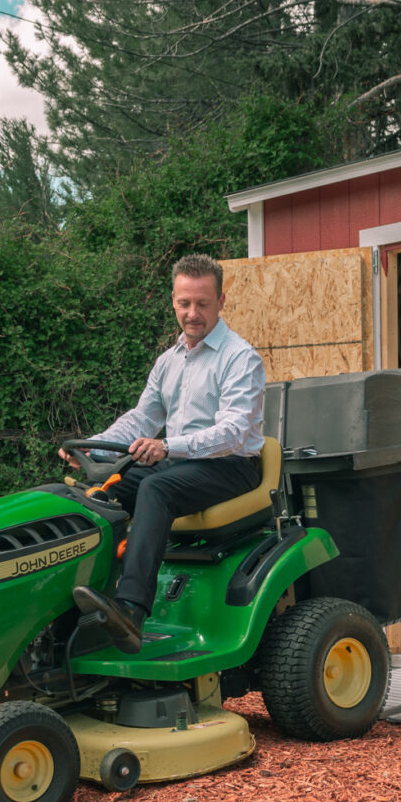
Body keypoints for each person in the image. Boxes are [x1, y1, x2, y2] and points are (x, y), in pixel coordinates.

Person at [66, 253, 265, 653]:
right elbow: (142, 418)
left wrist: (167, 445)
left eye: (203, 304)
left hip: (231, 467)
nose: (193, 313)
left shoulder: (240, 358)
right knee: (93, 494)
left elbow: (231, 432)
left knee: (155, 489)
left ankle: (131, 611)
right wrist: (91, 447)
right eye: (184, 303)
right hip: (178, 464)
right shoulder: (168, 361)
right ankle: (79, 604)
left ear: (221, 301)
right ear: (173, 300)